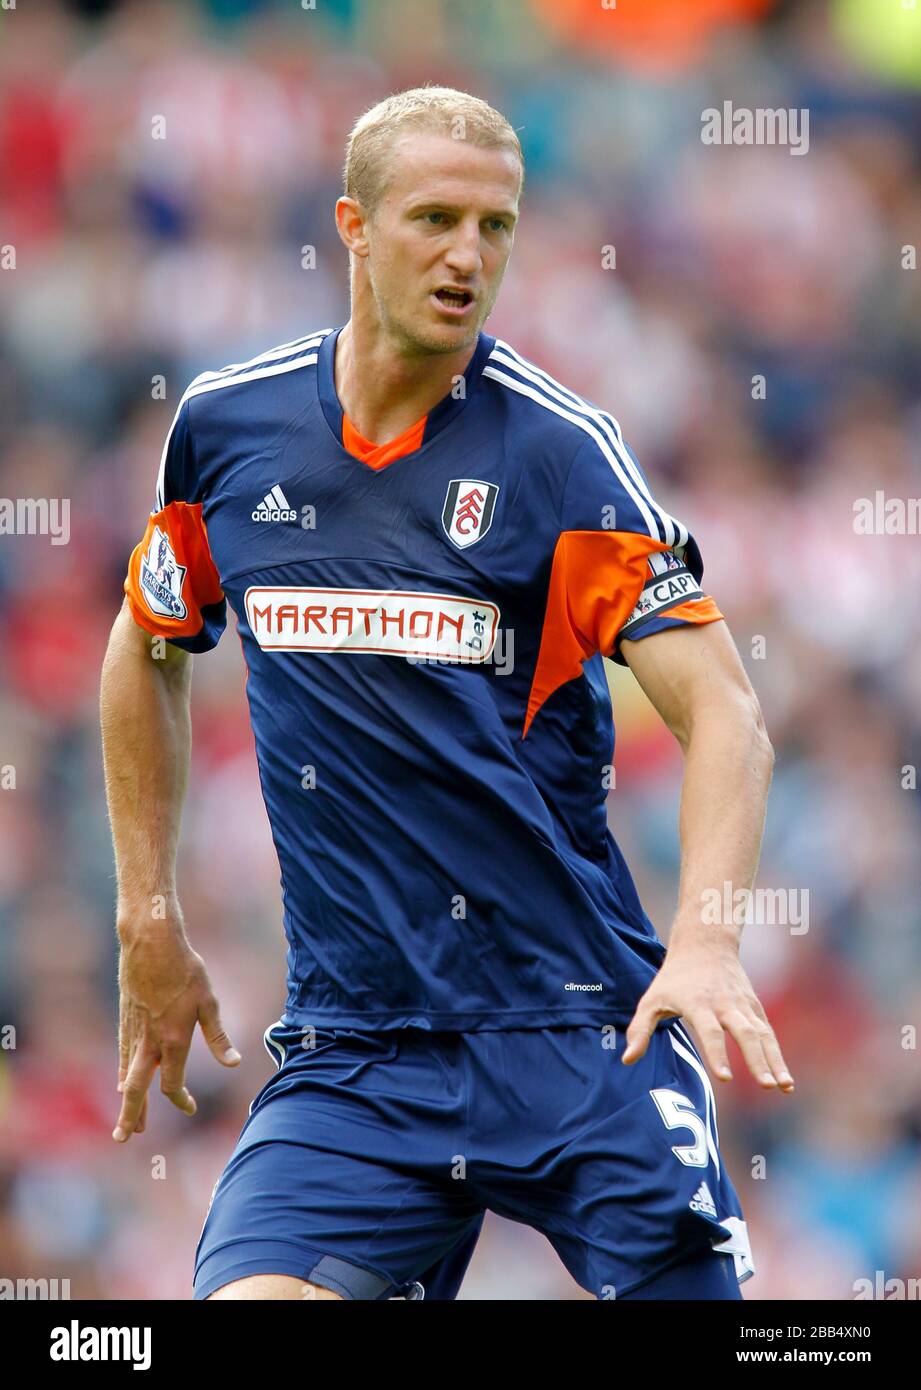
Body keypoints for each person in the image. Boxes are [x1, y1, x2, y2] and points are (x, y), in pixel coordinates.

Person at [99, 85, 792, 1303]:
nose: (469, 256)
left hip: (577, 1028)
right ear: (353, 228)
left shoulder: (560, 455)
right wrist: (147, 918)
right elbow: (147, 645)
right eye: (434, 219)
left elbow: (726, 708)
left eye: (497, 226)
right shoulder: (227, 429)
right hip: (357, 1049)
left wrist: (707, 940)